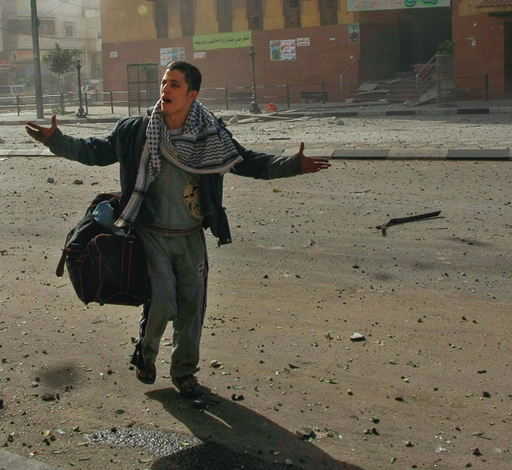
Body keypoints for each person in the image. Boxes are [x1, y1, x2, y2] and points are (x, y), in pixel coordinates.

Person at [26, 61, 329, 397]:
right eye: (164, 83)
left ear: (192, 94)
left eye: (175, 85)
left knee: (191, 307)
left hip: (190, 237)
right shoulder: (136, 131)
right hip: (149, 233)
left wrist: (293, 165)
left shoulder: (210, 134)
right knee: (163, 303)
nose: (165, 90)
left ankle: (184, 374)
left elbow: (246, 161)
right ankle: (146, 354)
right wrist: (57, 140)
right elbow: (95, 151)